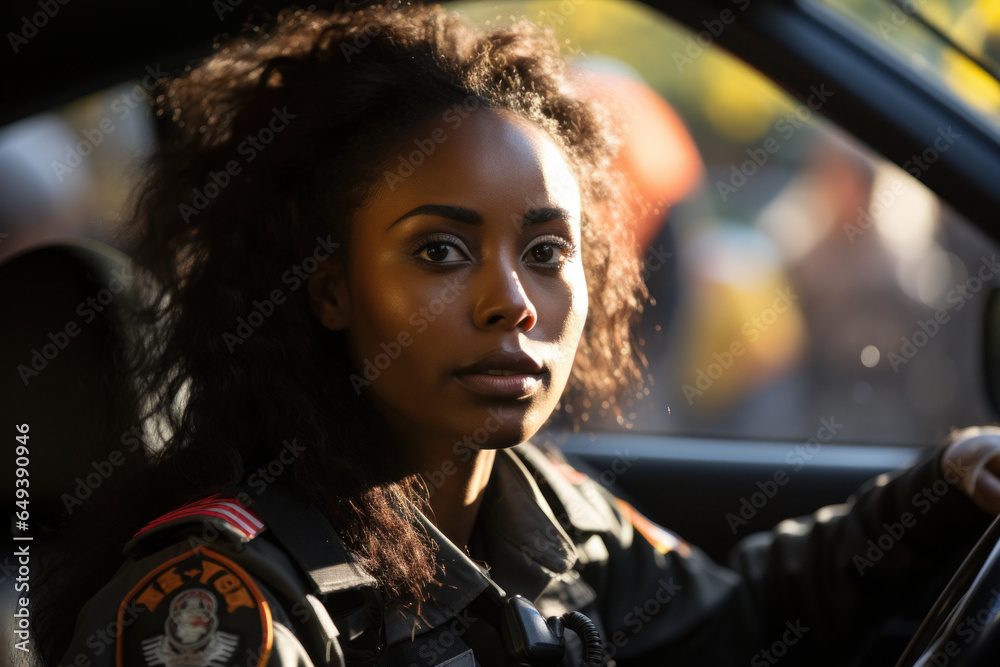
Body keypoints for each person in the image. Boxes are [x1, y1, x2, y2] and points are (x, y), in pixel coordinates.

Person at [34, 3, 1000, 667]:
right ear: (329, 290)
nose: (515, 302)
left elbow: (737, 626)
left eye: (546, 250)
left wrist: (943, 490)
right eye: (442, 251)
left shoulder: (549, 509)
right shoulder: (221, 604)